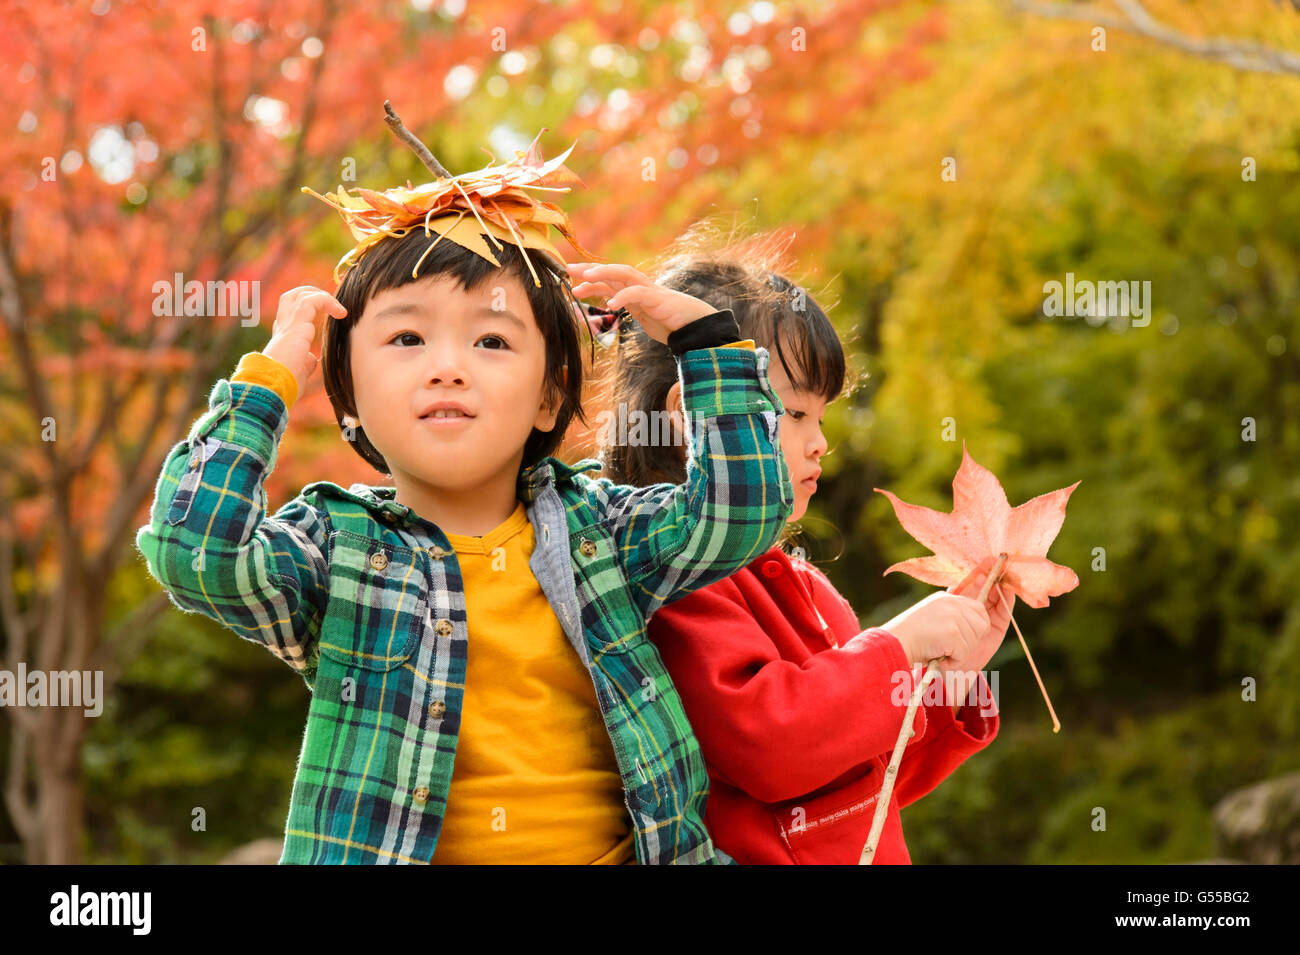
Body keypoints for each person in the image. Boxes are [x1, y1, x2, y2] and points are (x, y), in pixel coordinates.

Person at [133, 137, 794, 864]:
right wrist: (269, 380)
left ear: (548, 397)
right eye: (408, 336)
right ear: (351, 399)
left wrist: (706, 345)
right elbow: (192, 551)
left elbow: (738, 516)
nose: (448, 367)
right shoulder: (337, 550)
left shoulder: (598, 533)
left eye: (491, 340)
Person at [598, 229, 1011, 864]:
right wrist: (900, 645)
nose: (820, 442)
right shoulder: (676, 581)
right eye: (794, 415)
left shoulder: (809, 588)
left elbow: (867, 781)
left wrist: (942, 680)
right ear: (696, 414)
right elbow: (769, 747)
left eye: (823, 417)